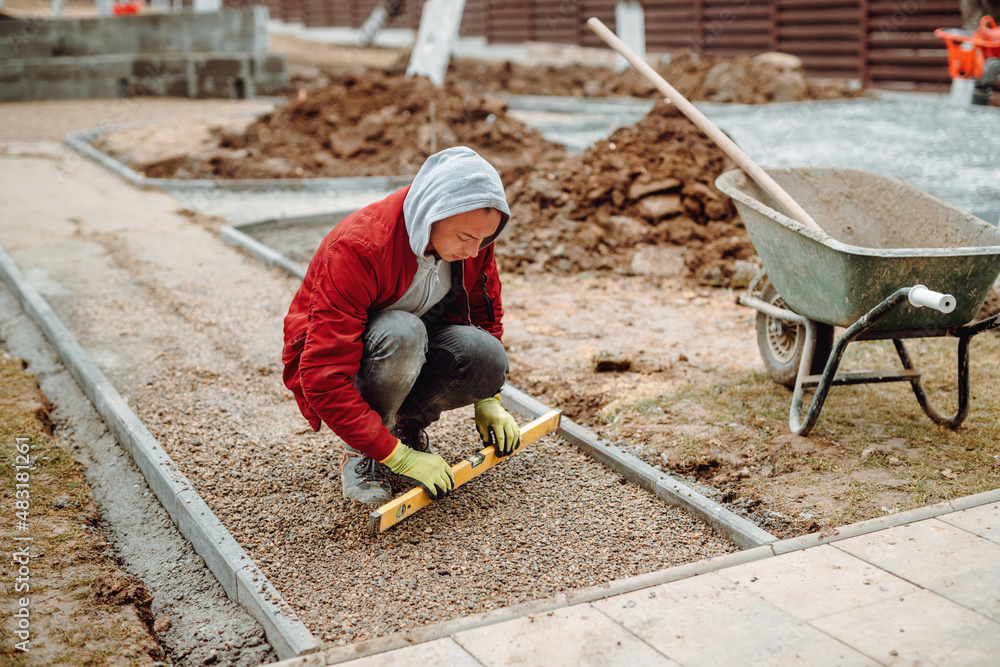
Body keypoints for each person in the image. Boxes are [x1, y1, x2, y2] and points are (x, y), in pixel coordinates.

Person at [282, 146, 521, 504]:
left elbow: (486, 318)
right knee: (402, 332)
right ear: (431, 214)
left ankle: (405, 428)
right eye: (465, 238)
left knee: (484, 353)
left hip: (412, 347)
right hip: (367, 355)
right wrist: (395, 456)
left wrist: (489, 399)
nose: (474, 252)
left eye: (484, 239)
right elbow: (322, 374)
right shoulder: (359, 247)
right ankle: (366, 451)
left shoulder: (473, 241)